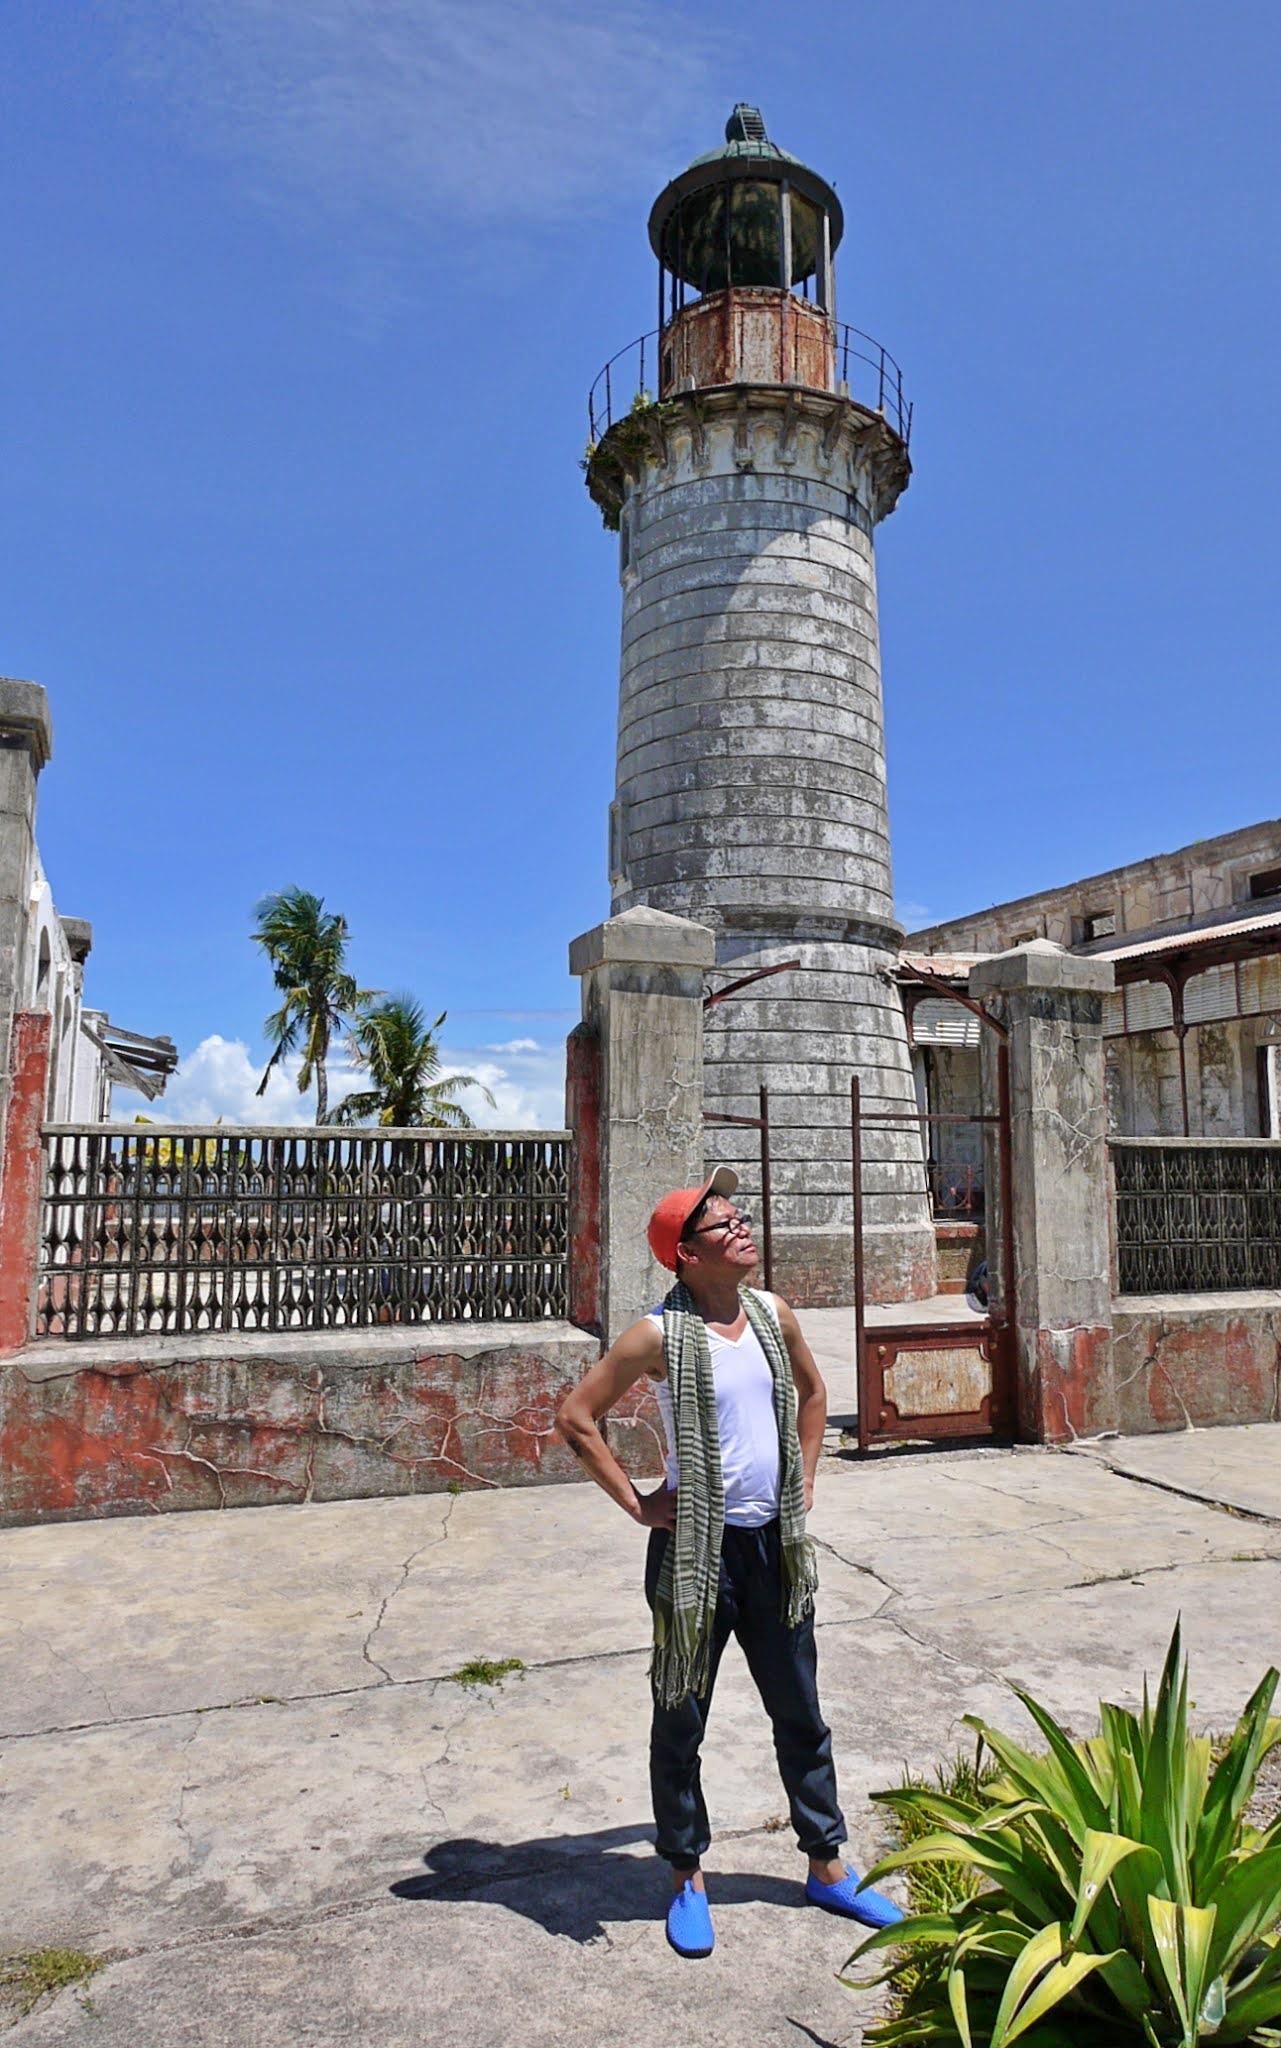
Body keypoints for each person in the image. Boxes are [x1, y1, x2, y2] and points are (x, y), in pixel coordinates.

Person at [556, 1166, 903, 1959]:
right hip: (693, 1555)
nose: (741, 1228)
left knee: (801, 1715)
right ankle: (686, 1875)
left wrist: (805, 1476)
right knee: (681, 1718)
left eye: (740, 1217)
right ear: (684, 1254)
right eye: (721, 1224)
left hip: (771, 1549)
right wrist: (640, 1505)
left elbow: (812, 1396)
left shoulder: (773, 1314)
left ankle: (826, 1865)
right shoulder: (655, 1335)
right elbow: (575, 1418)